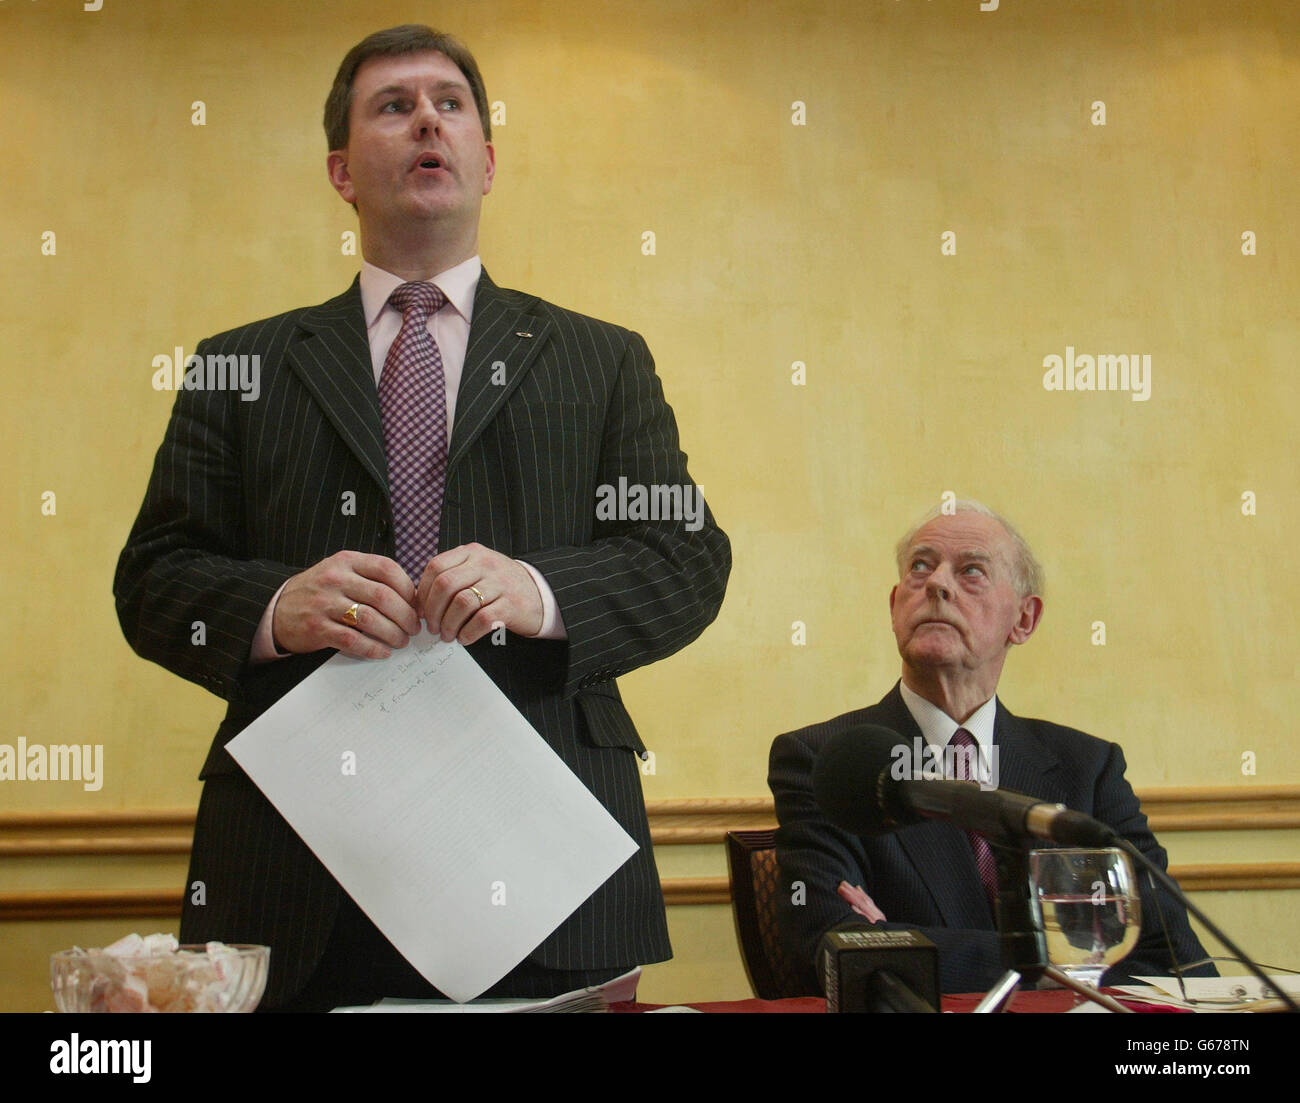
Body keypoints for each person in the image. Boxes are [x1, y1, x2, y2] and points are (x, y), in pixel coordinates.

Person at [114, 25, 731, 1011]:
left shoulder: (602, 358)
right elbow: (152, 578)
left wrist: (539, 589)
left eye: (450, 104)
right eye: (393, 107)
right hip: (294, 860)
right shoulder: (239, 366)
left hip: (543, 855)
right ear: (340, 170)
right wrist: (275, 605)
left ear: (488, 160)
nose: (427, 122)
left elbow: (685, 558)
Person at [768, 501, 1213, 995]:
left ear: (1024, 619)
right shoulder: (827, 760)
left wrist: (908, 939)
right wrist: (1070, 959)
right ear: (894, 607)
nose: (937, 584)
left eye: (971, 571)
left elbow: (1178, 962)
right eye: (921, 566)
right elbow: (841, 949)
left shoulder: (1087, 768)